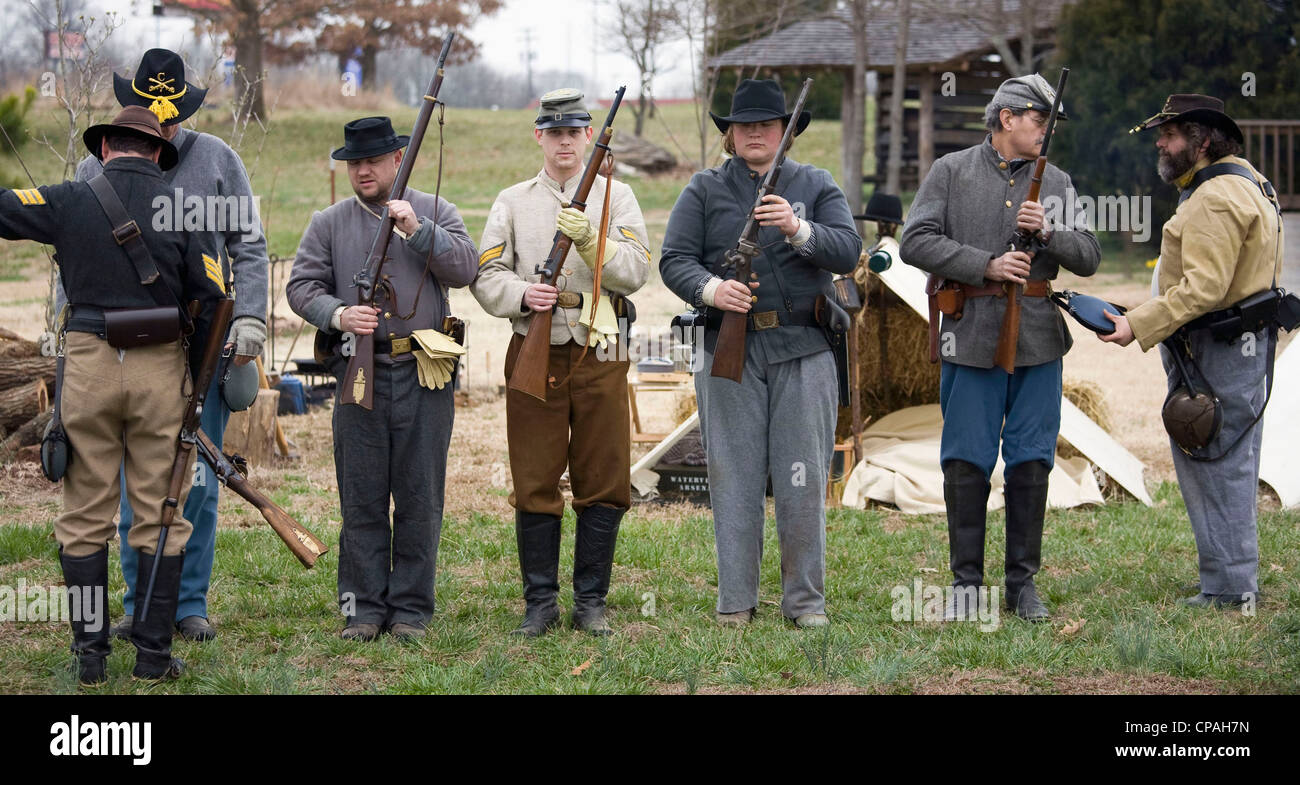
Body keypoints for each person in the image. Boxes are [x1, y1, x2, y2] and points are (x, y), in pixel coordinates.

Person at [0, 107, 223, 683]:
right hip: (159, 372)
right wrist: (195, 389)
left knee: (84, 516)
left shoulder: (69, 199)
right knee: (161, 514)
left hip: (90, 369)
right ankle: (151, 658)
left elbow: (3, 207)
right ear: (156, 152)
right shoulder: (184, 207)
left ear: (104, 149)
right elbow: (216, 297)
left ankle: (91, 658)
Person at [63, 48, 269, 644]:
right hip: (118, 350)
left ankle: (188, 604)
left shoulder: (219, 161)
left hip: (203, 346)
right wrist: (70, 325)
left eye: (173, 113)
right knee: (131, 485)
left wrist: (249, 319)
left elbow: (250, 246)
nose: (164, 124)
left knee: (196, 481)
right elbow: (71, 258)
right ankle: (139, 606)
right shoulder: (91, 173)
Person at [659, 78, 861, 628]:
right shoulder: (703, 190)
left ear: (786, 132)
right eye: (743, 125)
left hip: (804, 347)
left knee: (802, 476)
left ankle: (804, 602)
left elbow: (848, 250)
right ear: (729, 134)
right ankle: (736, 603)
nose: (754, 132)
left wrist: (798, 229)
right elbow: (674, 259)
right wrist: (712, 290)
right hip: (729, 350)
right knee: (734, 476)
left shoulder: (815, 184)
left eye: (767, 124)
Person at [900, 74, 1100, 622]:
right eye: (1041, 120)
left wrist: (1051, 233)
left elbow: (1089, 255)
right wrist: (984, 264)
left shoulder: (1055, 180)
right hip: (971, 336)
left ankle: (1022, 586)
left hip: (1038, 337)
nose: (1047, 132)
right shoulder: (950, 171)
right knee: (966, 460)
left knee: (1032, 460)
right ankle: (966, 585)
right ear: (1007, 118)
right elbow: (915, 239)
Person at [288, 116, 477, 640]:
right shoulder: (329, 222)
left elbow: (465, 269)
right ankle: (363, 609)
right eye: (355, 163)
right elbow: (301, 286)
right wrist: (338, 314)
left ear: (399, 160)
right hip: (358, 372)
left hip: (425, 372)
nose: (363, 170)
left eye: (373, 160)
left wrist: (418, 230)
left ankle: (412, 611)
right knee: (362, 497)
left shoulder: (436, 212)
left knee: (420, 498)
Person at [471, 88, 651, 637]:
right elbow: (485, 275)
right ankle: (540, 601)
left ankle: (591, 601)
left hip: (602, 347)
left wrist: (594, 247)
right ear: (539, 137)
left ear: (588, 136)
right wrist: (525, 295)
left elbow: (638, 270)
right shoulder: (512, 200)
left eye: (575, 132)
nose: (565, 142)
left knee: (605, 473)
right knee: (535, 475)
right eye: (555, 133)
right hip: (534, 348)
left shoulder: (617, 198)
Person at [1099, 94, 1283, 609]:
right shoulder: (1244, 178)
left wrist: (1137, 324)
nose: (1160, 141)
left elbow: (1205, 288)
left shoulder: (1216, 197)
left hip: (1218, 346)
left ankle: (1228, 589)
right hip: (1231, 344)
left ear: (1202, 141)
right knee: (1229, 459)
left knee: (1215, 456)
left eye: (1171, 133)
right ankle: (1230, 577)